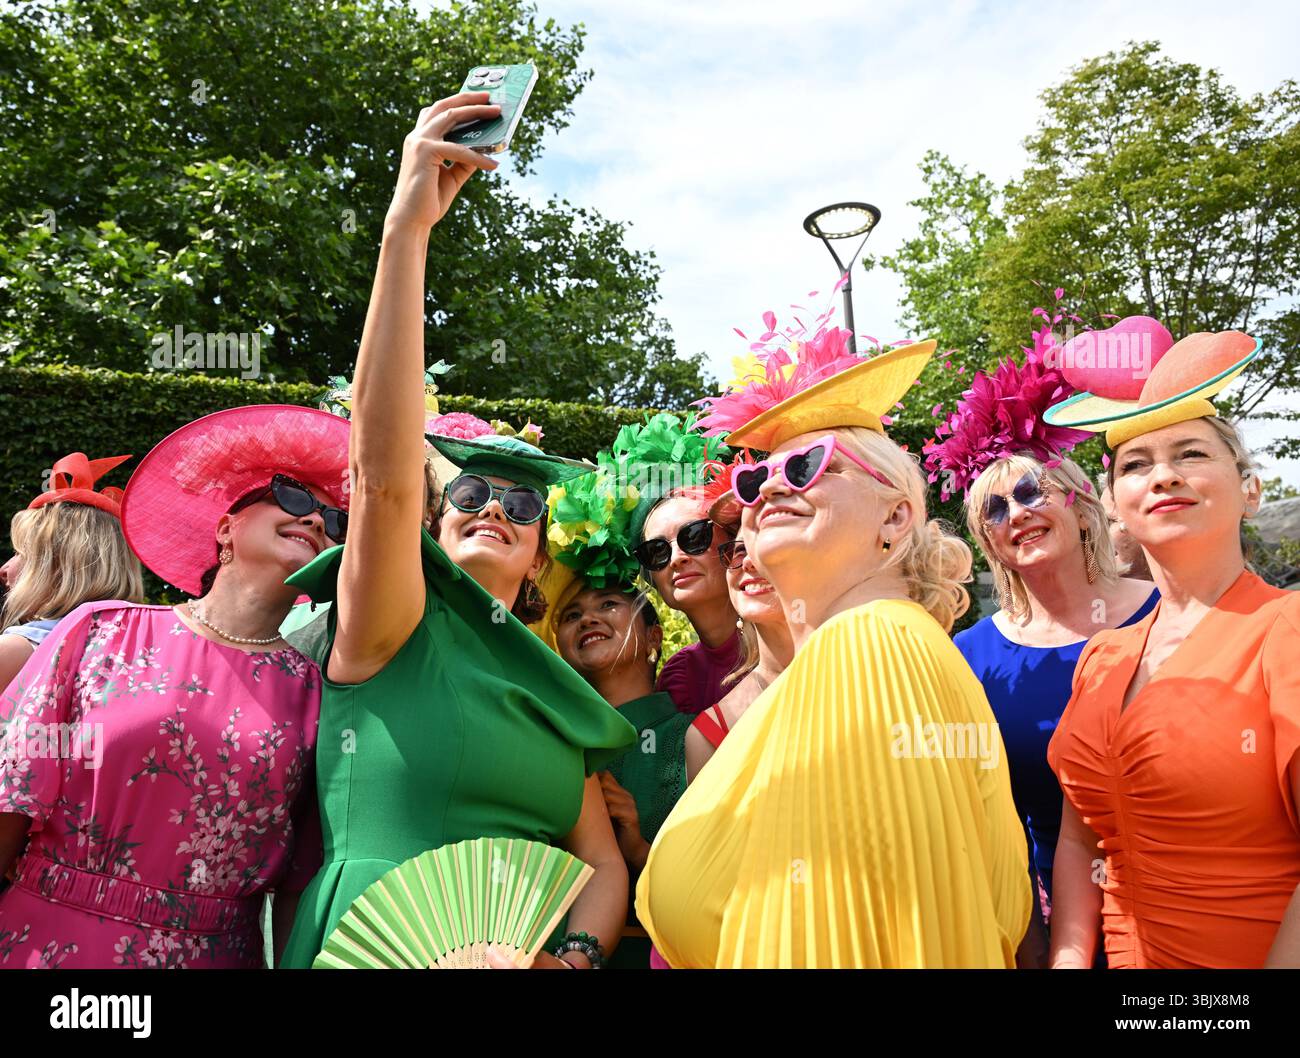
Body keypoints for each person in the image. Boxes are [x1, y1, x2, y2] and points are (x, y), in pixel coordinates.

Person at [278, 93, 635, 971]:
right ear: (436, 521)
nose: (494, 509)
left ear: (542, 549)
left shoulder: (557, 684)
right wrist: (408, 231)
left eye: (522, 506)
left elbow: (600, 863)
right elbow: (385, 479)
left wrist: (574, 959)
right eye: (472, 490)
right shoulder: (392, 621)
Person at [637, 317, 1031, 967]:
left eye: (805, 464)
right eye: (753, 479)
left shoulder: (871, 648)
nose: (767, 486)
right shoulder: (847, 655)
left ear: (896, 515)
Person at [0, 404, 346, 967]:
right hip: (46, 944)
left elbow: (299, 882)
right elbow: (9, 801)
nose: (314, 520)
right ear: (226, 527)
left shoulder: (317, 693)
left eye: (334, 521)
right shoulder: (100, 631)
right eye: (292, 497)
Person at [1044, 325, 1300, 968]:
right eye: (1136, 463)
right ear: (1112, 504)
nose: (1163, 475)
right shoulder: (1104, 656)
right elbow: (1080, 839)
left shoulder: (1286, 628)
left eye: (1190, 453)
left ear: (1250, 491)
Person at [923, 318, 1161, 966]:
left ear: (1081, 503)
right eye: (994, 512)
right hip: (1056, 932)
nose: (1017, 514)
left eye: (1031, 492)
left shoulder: (1167, 615)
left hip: (1194, 908)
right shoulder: (971, 660)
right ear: (988, 542)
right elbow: (975, 817)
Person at [552, 577, 686, 969]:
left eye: (608, 605)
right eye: (572, 615)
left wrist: (639, 852)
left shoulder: (696, 737)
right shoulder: (548, 742)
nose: (588, 618)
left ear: (654, 637)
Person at [684, 456, 793, 780]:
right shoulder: (708, 735)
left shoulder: (875, 666)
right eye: (739, 549)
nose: (748, 562)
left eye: (768, 540)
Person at [0, 453, 144, 693]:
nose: (4, 569)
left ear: (59, 567)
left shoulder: (16, 650)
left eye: (20, 553)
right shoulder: (143, 646)